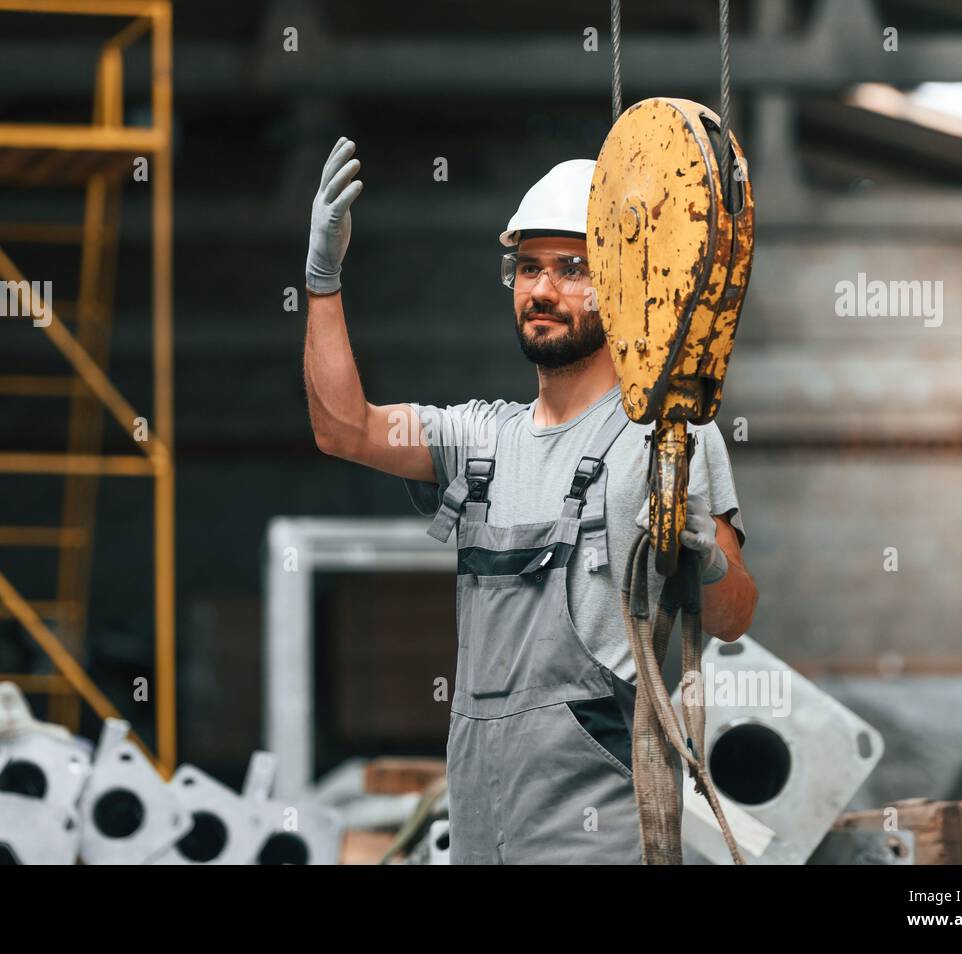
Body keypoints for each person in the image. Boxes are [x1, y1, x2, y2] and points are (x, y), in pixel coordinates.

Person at [303, 137, 758, 864]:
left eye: (572, 269)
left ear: (621, 282)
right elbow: (344, 428)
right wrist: (323, 281)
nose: (542, 290)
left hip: (596, 824)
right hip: (482, 817)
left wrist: (704, 555)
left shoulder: (665, 440)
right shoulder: (479, 439)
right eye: (528, 268)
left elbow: (733, 619)